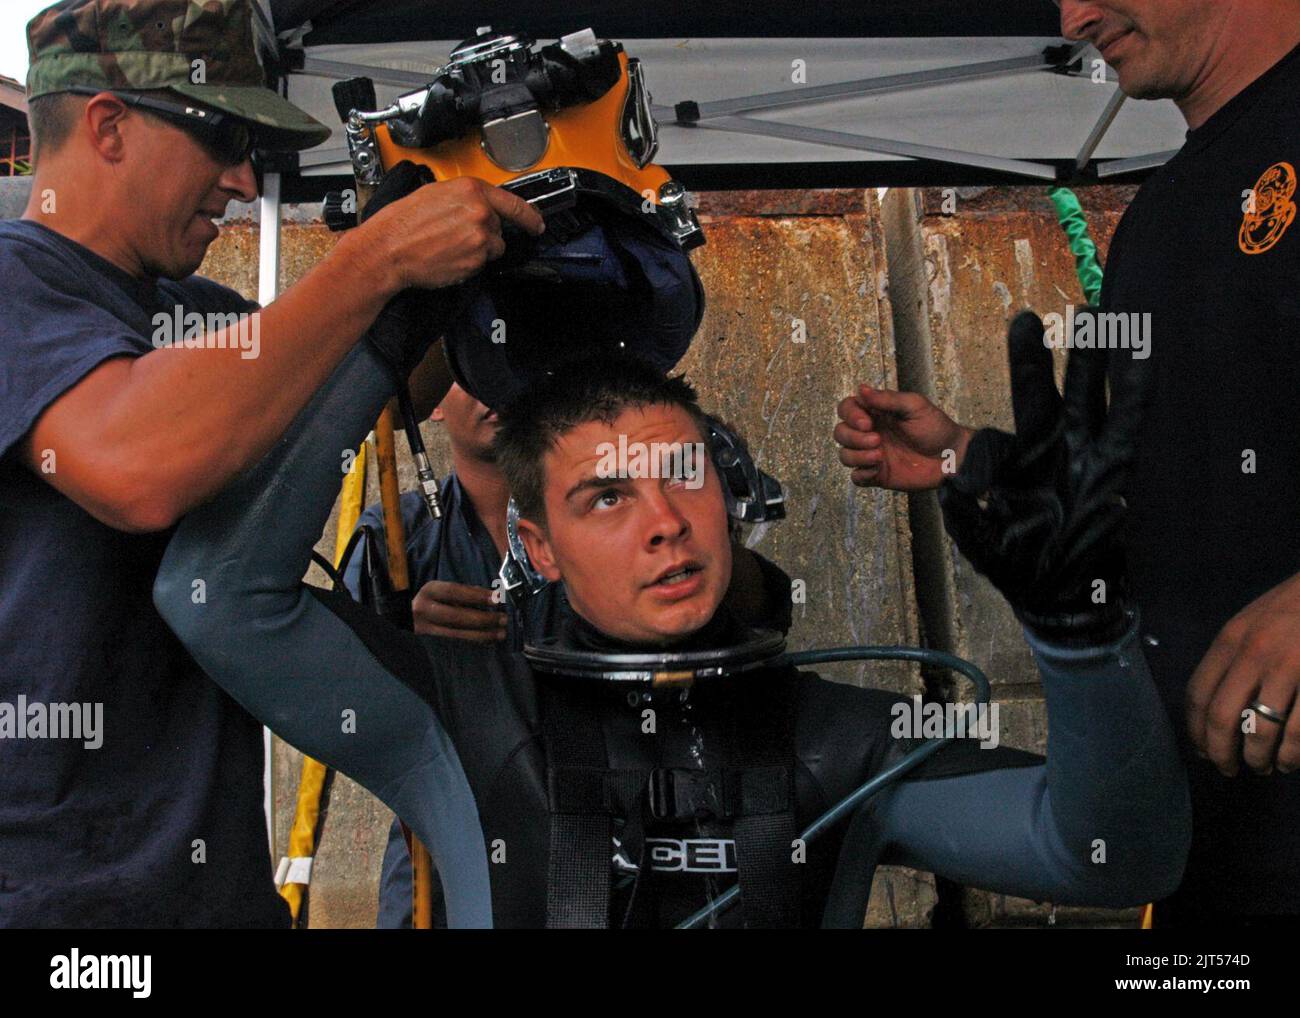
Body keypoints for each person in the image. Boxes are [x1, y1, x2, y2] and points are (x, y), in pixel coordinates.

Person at [152, 325, 1190, 928]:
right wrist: (383, 329)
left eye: (679, 475)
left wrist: (1077, 632)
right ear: (539, 544)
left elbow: (1112, 859)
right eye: (606, 498)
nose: (662, 524)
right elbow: (214, 597)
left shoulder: (844, 736)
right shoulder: (459, 714)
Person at [0, 0, 542, 928]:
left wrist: (458, 264)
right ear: (108, 126)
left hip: (211, 893)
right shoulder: (14, 286)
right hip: (53, 903)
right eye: (222, 136)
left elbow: (376, 393)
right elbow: (136, 467)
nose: (244, 180)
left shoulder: (192, 309)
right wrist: (372, 264)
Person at [835, 0, 1300, 927]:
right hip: (1210, 841)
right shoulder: (1161, 215)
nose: (1075, 15)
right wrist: (976, 461)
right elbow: (1159, 491)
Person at [340, 383, 793, 927]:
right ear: (433, 395)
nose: (492, 387)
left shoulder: (644, 508)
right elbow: (341, 694)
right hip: (443, 848)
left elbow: (759, 606)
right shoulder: (397, 535)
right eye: (470, 369)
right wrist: (405, 646)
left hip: (624, 830)